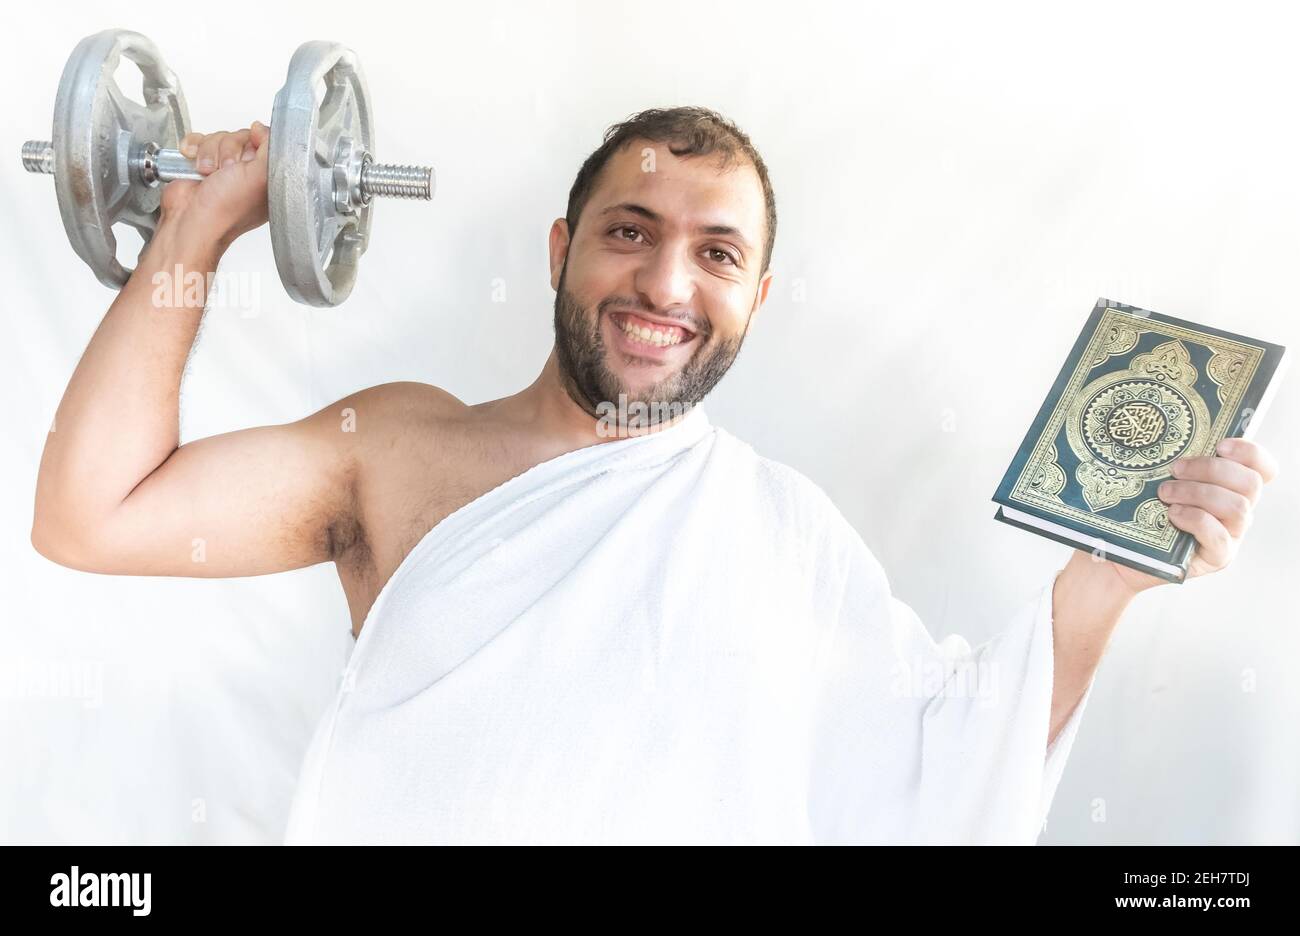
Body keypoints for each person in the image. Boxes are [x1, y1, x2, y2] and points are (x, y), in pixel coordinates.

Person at [30, 107, 1279, 844]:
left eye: (717, 254)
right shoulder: (401, 446)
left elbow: (945, 762)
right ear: (566, 249)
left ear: (756, 299)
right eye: (631, 232)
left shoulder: (782, 530)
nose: (667, 287)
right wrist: (193, 231)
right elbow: (97, 512)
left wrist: (1104, 582)